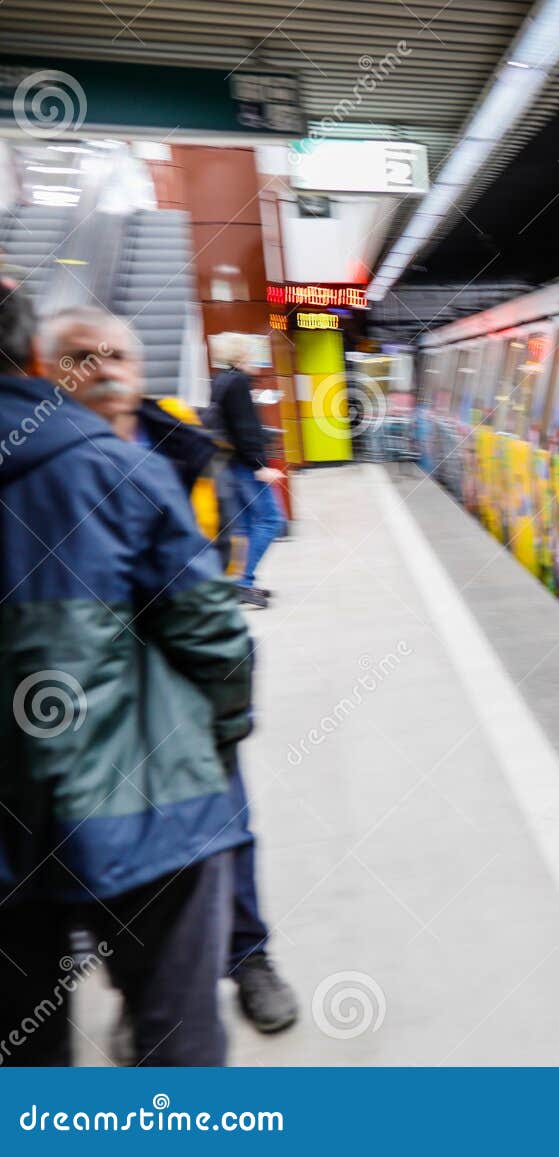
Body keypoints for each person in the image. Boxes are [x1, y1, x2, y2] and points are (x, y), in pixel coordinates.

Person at [0, 287, 252, 1066]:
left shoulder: (156, 450)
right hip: (150, 811)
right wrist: (220, 734)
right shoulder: (113, 467)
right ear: (37, 360)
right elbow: (215, 636)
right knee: (174, 1039)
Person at [39, 307, 300, 1040]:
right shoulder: (37, 464)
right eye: (83, 355)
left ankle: (249, 959)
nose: (103, 369)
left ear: (140, 367)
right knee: (111, 858)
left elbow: (207, 606)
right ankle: (142, 989)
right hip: (84, 710)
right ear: (49, 369)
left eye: (117, 354)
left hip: (183, 696)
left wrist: (224, 715)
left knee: (227, 832)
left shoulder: (174, 446)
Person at [209, 335, 284, 609]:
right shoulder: (238, 382)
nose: (255, 358)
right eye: (251, 353)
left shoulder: (218, 380)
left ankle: (240, 581)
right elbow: (244, 429)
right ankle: (243, 582)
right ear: (240, 355)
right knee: (270, 520)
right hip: (244, 465)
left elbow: (229, 426)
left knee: (245, 525)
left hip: (228, 463)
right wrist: (260, 466)